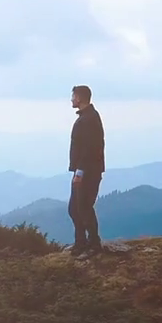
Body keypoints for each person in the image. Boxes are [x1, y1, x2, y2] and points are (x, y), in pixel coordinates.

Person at [67, 84, 104, 255]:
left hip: (88, 172)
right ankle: (81, 242)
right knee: (76, 208)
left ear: (80, 98)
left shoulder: (88, 119)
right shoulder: (89, 117)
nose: (71, 99)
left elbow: (89, 148)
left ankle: (93, 243)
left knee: (83, 207)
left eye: (73, 96)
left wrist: (80, 172)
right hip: (85, 171)